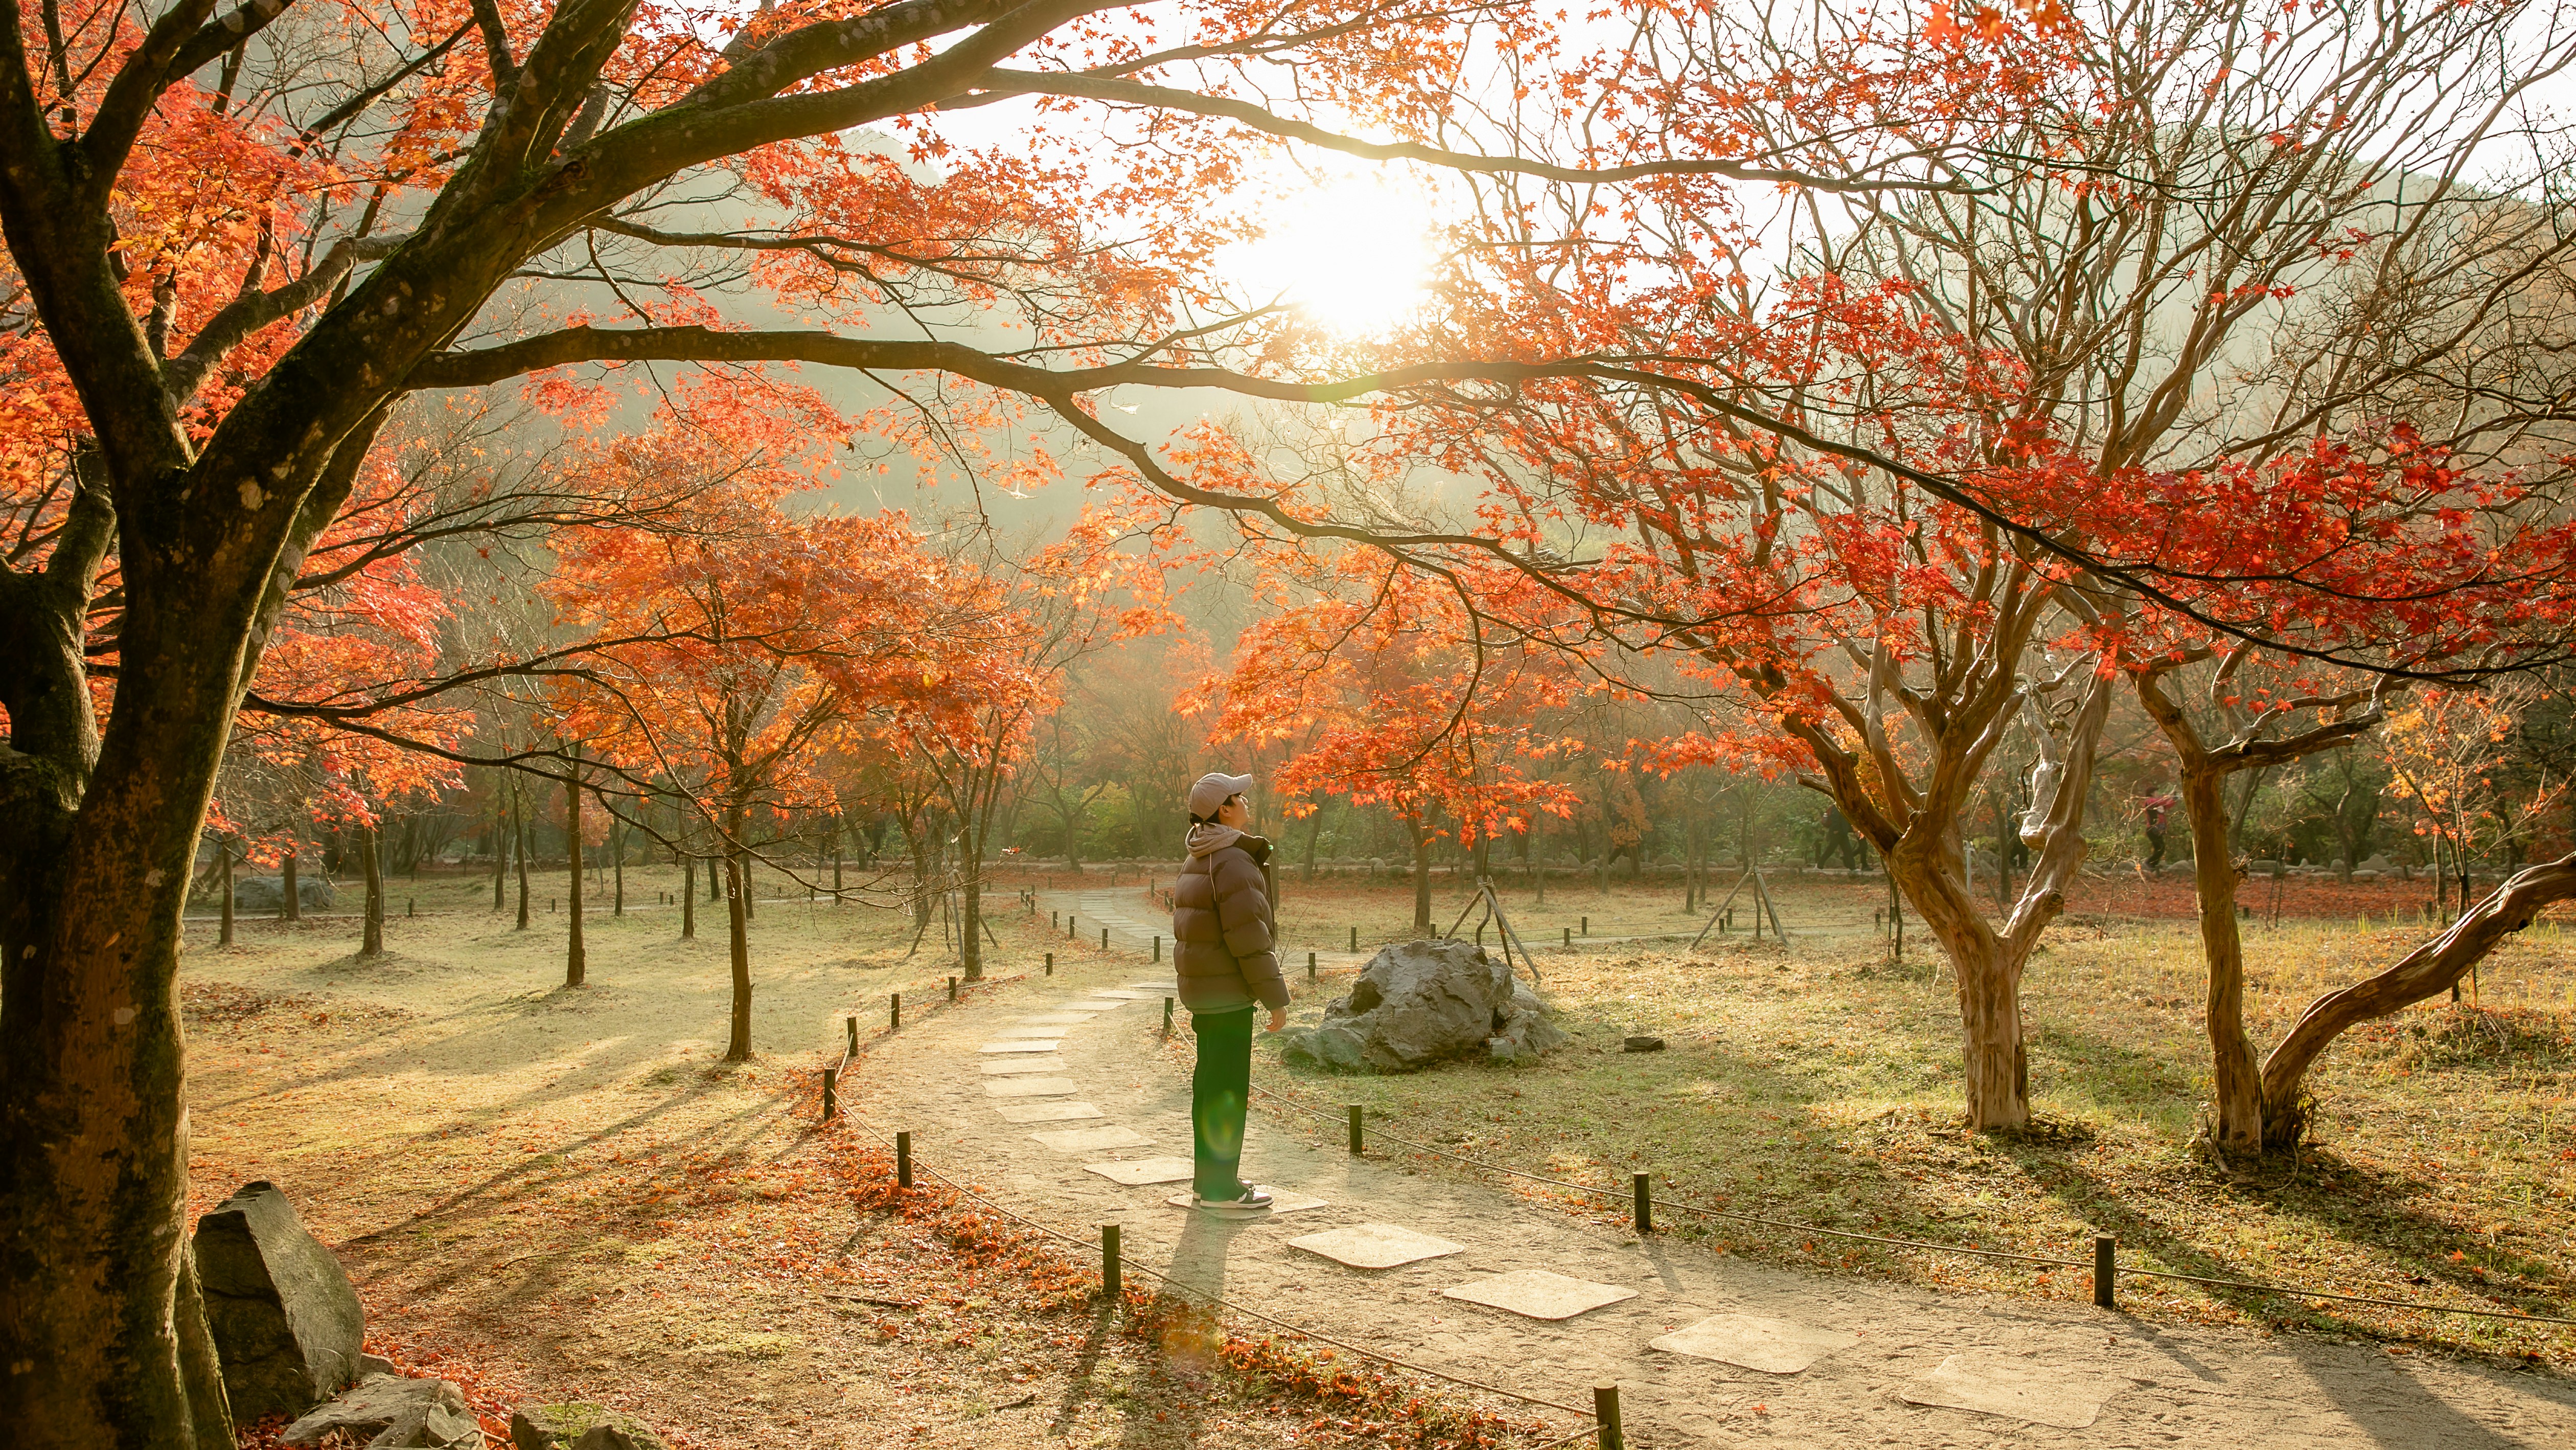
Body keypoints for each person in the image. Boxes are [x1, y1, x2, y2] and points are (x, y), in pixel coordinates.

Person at [1170, 772, 1291, 1214]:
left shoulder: (1198, 857)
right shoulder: (1233, 861)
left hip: (1204, 993)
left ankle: (1209, 1184)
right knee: (1226, 1091)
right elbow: (1248, 937)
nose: (1246, 804)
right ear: (1224, 809)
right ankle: (1222, 1191)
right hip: (1227, 995)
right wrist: (1275, 996)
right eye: (1239, 798)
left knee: (1210, 1086)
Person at [2142, 790, 2176, 868]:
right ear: (2152, 793)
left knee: (2159, 848)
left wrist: (2174, 799)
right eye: (2156, 792)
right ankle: (2149, 863)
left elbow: (2167, 805)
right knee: (2160, 848)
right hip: (2153, 829)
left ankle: (2152, 865)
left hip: (2157, 829)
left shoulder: (2158, 804)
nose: (2158, 793)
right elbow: (2160, 802)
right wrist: (2168, 796)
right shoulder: (2150, 801)